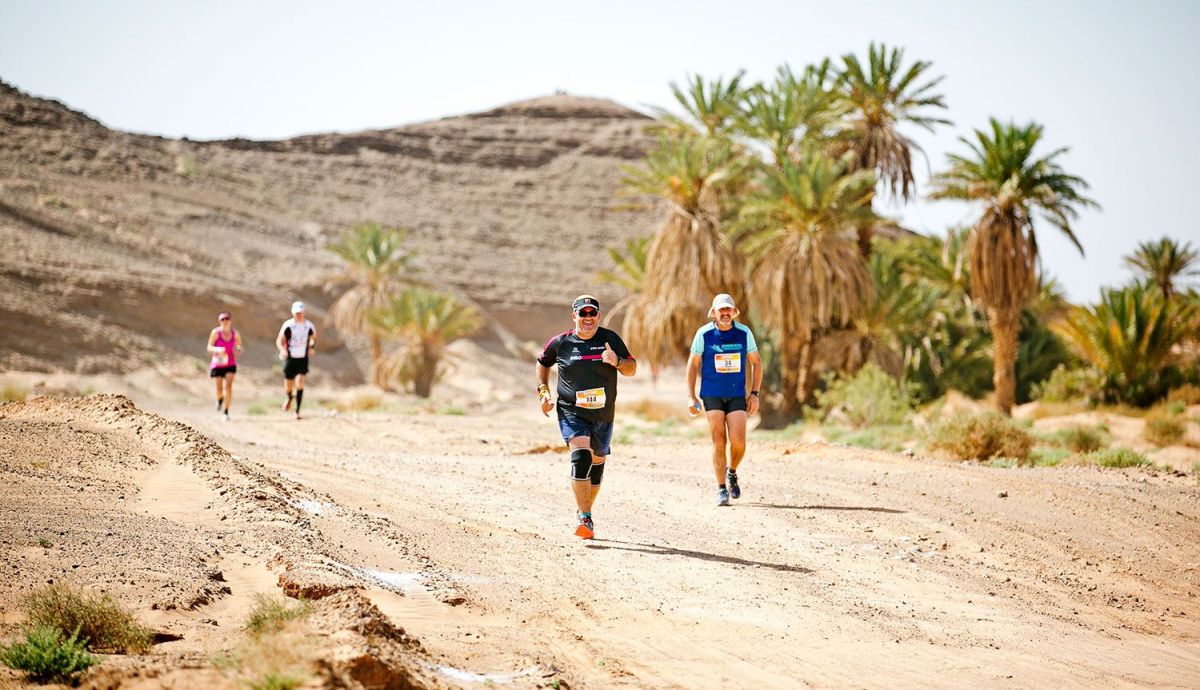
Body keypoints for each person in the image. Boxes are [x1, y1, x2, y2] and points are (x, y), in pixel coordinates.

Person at [536, 295, 636, 539]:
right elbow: (542, 363)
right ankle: (585, 517)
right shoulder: (560, 343)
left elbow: (632, 369)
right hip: (571, 410)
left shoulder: (610, 339)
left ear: (598, 316)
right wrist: (543, 392)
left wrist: (618, 361)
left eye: (593, 314)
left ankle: (584, 509)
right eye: (583, 314)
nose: (588, 318)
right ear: (574, 316)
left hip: (603, 414)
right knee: (580, 457)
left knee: (596, 465)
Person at [686, 294, 763, 506]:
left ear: (734, 311)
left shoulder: (744, 333)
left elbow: (757, 363)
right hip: (712, 394)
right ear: (714, 312)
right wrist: (691, 397)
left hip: (737, 393)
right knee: (719, 440)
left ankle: (732, 471)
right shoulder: (704, 334)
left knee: (738, 441)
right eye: (721, 310)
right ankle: (721, 489)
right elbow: (692, 365)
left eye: (728, 309)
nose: (725, 313)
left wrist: (754, 394)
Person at [277, 301, 316, 420]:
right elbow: (279, 340)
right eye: (296, 313)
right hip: (290, 357)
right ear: (293, 313)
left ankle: (297, 411)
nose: (298, 315)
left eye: (300, 312)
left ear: (303, 312)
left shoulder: (309, 326)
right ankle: (289, 397)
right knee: (288, 385)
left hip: (302, 358)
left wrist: (311, 347)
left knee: (300, 382)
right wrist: (282, 350)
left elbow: (313, 338)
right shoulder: (288, 325)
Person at [206, 311, 243, 420]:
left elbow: (239, 345)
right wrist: (218, 349)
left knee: (229, 386)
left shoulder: (235, 333)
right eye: (222, 319)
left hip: (230, 363)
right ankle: (219, 399)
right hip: (218, 363)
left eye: (227, 319)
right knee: (219, 388)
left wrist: (238, 349)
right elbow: (209, 347)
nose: (225, 321)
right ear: (219, 321)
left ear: (230, 321)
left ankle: (226, 412)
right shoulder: (215, 333)